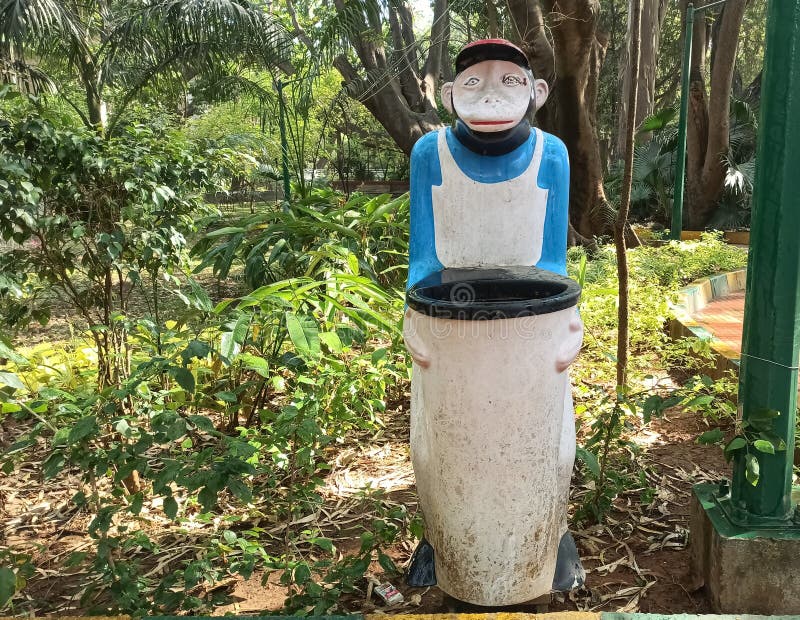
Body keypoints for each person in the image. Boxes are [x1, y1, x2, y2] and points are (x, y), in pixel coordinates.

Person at [404, 38, 585, 594]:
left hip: (532, 325)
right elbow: (423, 258)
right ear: (451, 93)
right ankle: (442, 536)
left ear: (536, 92)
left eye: (508, 82)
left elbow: (551, 261)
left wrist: (564, 323)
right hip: (448, 322)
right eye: (475, 82)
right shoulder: (429, 155)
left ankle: (548, 536)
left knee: (550, 443)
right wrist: (420, 318)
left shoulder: (550, 154)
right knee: (434, 445)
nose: (490, 95)